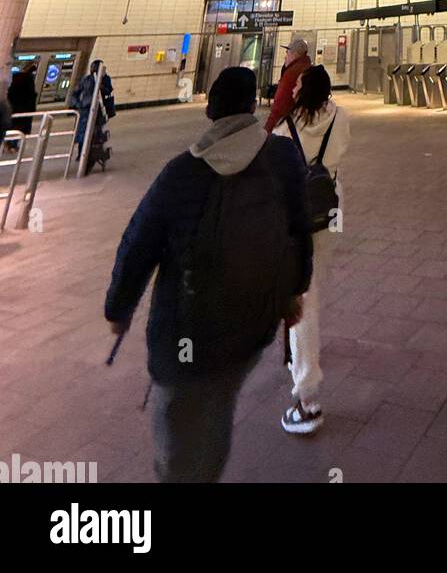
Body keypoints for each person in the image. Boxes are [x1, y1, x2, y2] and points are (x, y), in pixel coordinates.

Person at [104, 66, 312, 483]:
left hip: (186, 327)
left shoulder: (182, 172)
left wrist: (118, 307)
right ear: (251, 105)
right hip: (253, 320)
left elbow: (139, 243)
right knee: (220, 401)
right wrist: (295, 292)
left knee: (176, 414)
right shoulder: (284, 157)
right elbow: (299, 230)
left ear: (211, 111)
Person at [273, 64, 350, 434]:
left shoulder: (285, 127)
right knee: (315, 284)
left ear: (305, 89)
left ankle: (308, 398)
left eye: (297, 84)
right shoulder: (341, 118)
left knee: (303, 298)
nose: (291, 88)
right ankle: (295, 355)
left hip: (295, 219)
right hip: (331, 213)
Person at [70, 59, 115, 173]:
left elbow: (108, 91)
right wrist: (78, 104)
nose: (93, 69)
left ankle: (94, 153)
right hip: (85, 109)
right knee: (83, 133)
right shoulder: (86, 80)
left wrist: (101, 85)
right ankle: (82, 153)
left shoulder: (105, 79)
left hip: (97, 111)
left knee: (96, 133)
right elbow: (75, 93)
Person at [265, 36, 311, 134]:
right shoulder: (308, 68)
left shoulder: (292, 74)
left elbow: (280, 105)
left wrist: (267, 130)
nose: (285, 57)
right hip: (303, 123)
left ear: (294, 54)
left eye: (287, 53)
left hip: (287, 125)